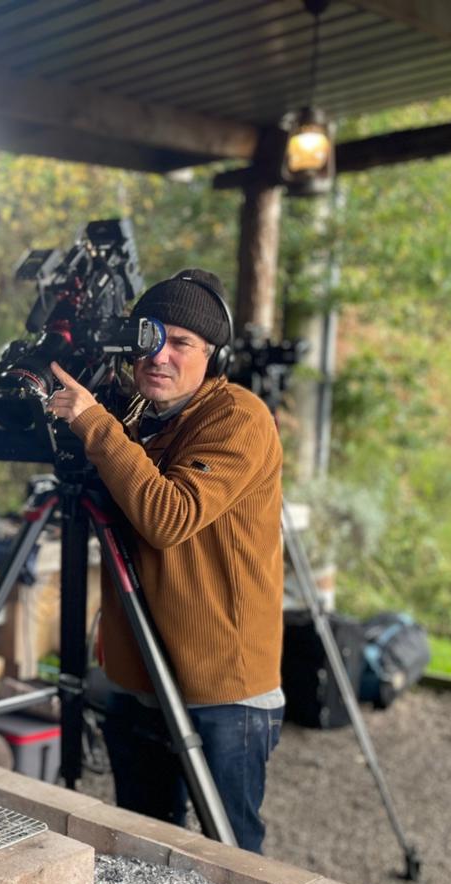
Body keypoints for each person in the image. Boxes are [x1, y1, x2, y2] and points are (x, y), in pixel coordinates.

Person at [46, 269, 284, 852]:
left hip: (219, 686)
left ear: (211, 354)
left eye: (182, 344)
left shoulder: (237, 418)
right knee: (146, 846)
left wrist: (92, 424)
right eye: (151, 338)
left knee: (229, 859)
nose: (162, 356)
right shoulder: (135, 414)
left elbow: (169, 516)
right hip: (140, 678)